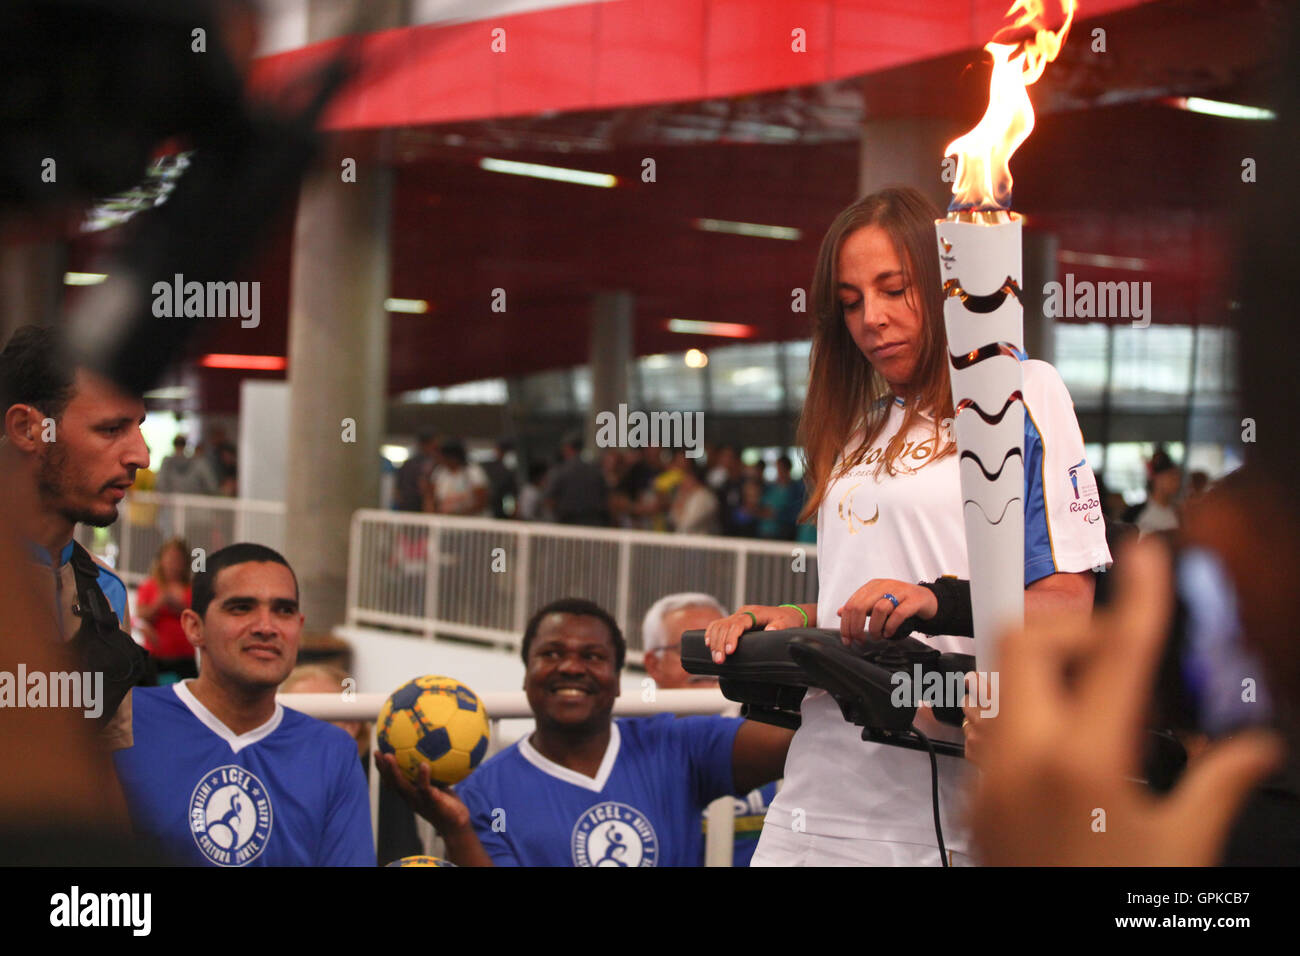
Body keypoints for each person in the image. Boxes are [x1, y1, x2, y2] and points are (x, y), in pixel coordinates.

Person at [705, 186, 1111, 865]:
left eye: (895, 290)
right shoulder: (861, 426)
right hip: (815, 793)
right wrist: (792, 616)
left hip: (947, 808)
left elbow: (1067, 606)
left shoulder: (1022, 391)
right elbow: (865, 603)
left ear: (945, 281)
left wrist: (934, 596)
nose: (872, 319)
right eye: (852, 300)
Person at [376, 597, 792, 866]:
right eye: (551, 653)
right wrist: (456, 829)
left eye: (592, 656)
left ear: (615, 678)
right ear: (527, 675)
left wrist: (786, 649)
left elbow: (795, 745)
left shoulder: (675, 745)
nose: (571, 667)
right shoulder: (484, 793)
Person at [112, 543, 374, 866]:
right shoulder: (126, 721)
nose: (266, 626)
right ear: (194, 626)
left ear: (299, 628)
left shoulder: (333, 753)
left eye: (283, 611)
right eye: (241, 608)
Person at [0, 324, 150, 751]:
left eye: (138, 426)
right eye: (110, 429)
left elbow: (103, 772)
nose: (141, 455)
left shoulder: (104, 593)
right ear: (28, 429)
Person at [642, 592, 779, 866]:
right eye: (691, 647)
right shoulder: (631, 748)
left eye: (720, 644)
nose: (709, 660)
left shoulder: (771, 734)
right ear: (653, 663)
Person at [134, 537, 196, 680]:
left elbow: (200, 617)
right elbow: (139, 615)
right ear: (161, 560)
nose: (173, 564)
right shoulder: (149, 586)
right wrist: (158, 603)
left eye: (178, 559)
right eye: (170, 558)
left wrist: (180, 607)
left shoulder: (191, 588)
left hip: (185, 658)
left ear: (185, 562)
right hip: (156, 658)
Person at [544, 437, 609, 526]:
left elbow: (549, 499)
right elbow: (606, 498)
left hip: (568, 522)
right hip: (594, 522)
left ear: (568, 448)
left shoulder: (560, 471)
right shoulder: (596, 470)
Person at [427, 439, 489, 516]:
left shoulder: (473, 472)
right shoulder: (439, 472)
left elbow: (482, 502)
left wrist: (458, 514)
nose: (440, 459)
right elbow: (431, 498)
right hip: (444, 520)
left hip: (470, 521)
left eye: (442, 456)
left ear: (453, 457)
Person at [669, 461, 721, 534]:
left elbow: (686, 524)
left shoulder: (705, 497)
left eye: (687, 478)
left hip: (701, 542)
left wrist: (682, 499)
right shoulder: (683, 494)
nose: (682, 482)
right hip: (681, 540)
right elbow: (672, 519)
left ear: (694, 479)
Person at [395, 430, 439, 512]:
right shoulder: (432, 463)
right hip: (417, 507)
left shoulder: (408, 463)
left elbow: (397, 492)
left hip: (407, 506)